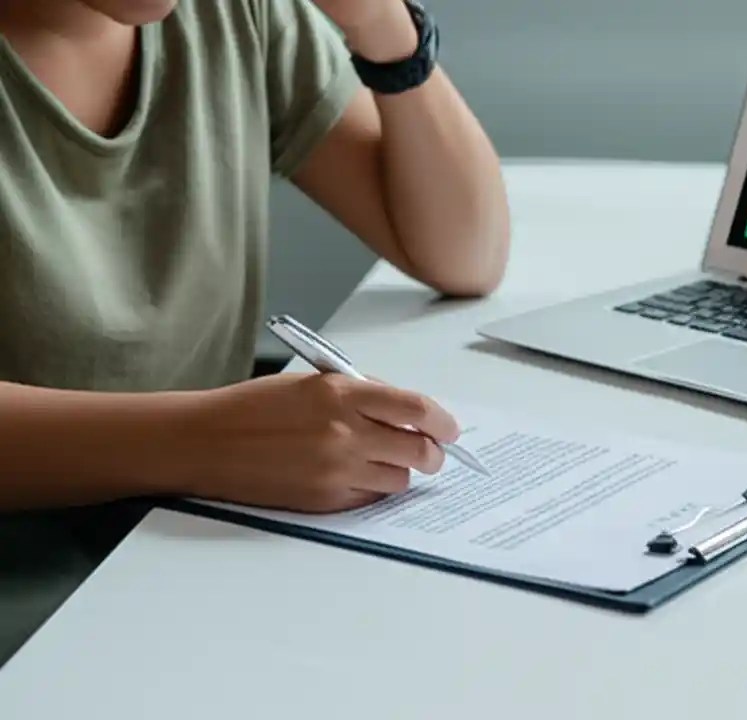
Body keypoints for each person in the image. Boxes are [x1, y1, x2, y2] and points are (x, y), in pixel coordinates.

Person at [0, 0, 510, 664]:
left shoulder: (231, 15)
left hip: (187, 537)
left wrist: (385, 26)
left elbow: (463, 253)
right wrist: (203, 441)